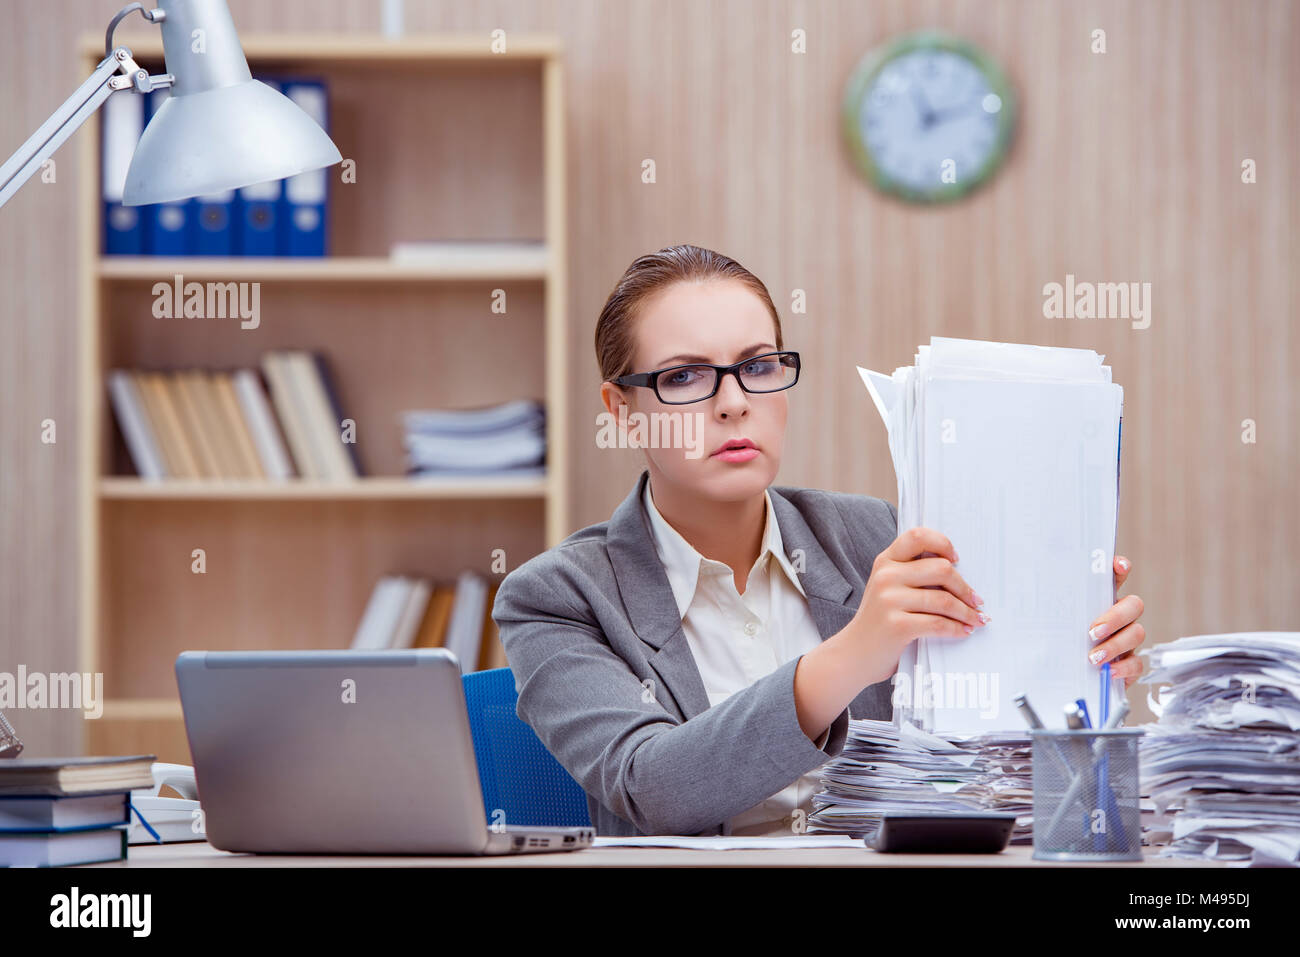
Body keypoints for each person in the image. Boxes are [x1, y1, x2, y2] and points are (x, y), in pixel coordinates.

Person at [491, 244, 1146, 837]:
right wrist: (856, 652)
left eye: (757, 365)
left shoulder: (882, 538)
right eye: (684, 376)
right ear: (622, 411)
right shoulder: (557, 596)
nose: (733, 402)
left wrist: (1068, 666)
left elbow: (991, 781)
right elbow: (652, 787)